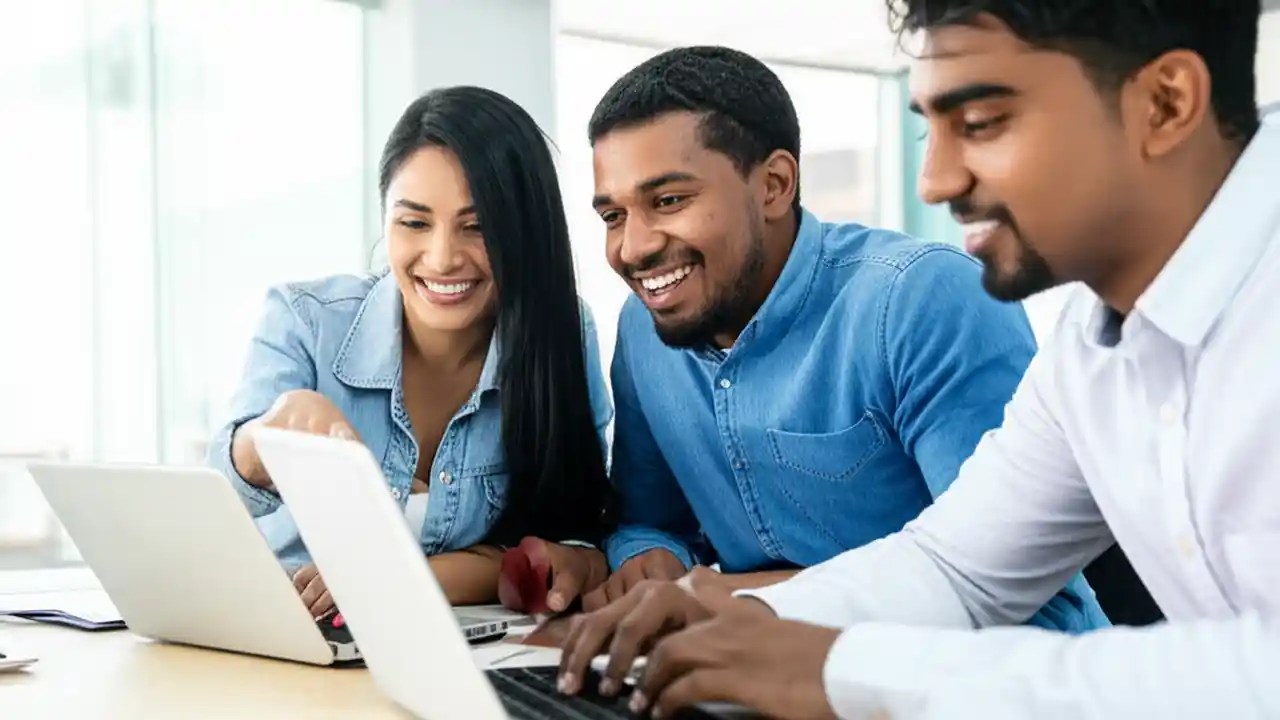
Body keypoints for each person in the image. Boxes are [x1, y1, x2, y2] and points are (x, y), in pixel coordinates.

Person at [558, 2, 1280, 718]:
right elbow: (957, 567)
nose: (934, 181)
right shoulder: (1092, 346)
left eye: (981, 124)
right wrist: (747, 627)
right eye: (928, 129)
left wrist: (851, 671)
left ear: (1165, 103)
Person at [555, 44, 1107, 634]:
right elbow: (649, 519)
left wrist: (719, 598)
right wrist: (651, 561)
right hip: (753, 669)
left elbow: (994, 581)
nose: (634, 247)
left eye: (668, 201)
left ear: (774, 184)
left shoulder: (923, 299)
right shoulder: (646, 329)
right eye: (613, 216)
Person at [207, 86, 614, 617]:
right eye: (414, 223)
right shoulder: (306, 320)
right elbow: (217, 501)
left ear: (525, 233)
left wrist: (390, 578)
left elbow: (571, 543)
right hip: (279, 633)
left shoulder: (560, 334)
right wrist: (260, 444)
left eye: (478, 227)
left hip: (441, 648)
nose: (442, 258)